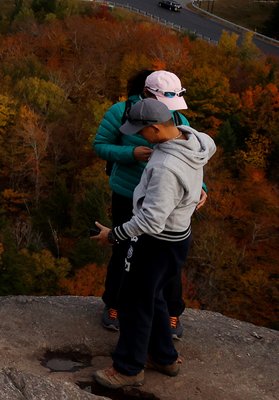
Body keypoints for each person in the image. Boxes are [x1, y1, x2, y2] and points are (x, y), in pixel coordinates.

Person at [90, 96, 216, 389]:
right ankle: (163, 357)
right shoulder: (194, 142)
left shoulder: (165, 167)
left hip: (155, 243)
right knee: (154, 295)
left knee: (134, 302)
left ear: (157, 129)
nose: (136, 135)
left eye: (140, 129)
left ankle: (128, 368)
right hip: (178, 240)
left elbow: (150, 221)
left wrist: (115, 235)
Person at [93, 69, 206, 337]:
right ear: (146, 93)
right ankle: (115, 305)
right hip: (127, 192)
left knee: (165, 259)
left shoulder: (178, 118)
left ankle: (171, 312)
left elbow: (190, 156)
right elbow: (100, 146)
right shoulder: (120, 112)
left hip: (167, 200)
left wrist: (200, 187)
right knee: (123, 251)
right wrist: (130, 153)